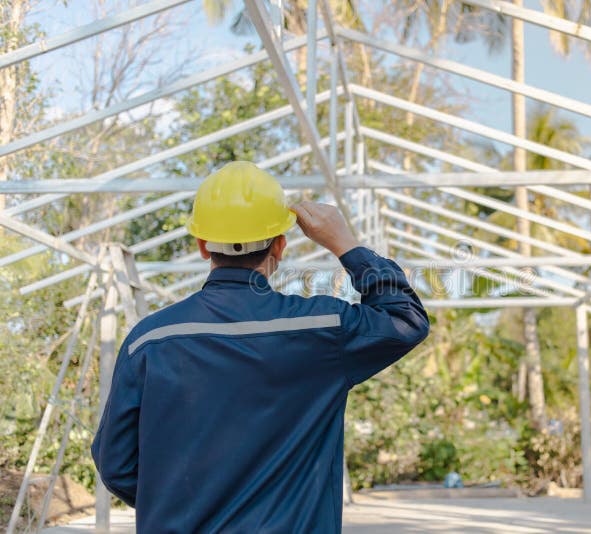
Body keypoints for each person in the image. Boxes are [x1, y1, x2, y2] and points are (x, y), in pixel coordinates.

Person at [91, 161, 429, 533]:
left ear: (203, 246)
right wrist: (345, 244)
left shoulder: (149, 340)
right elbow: (405, 319)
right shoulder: (322, 329)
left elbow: (116, 464)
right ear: (280, 246)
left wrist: (184, 502)